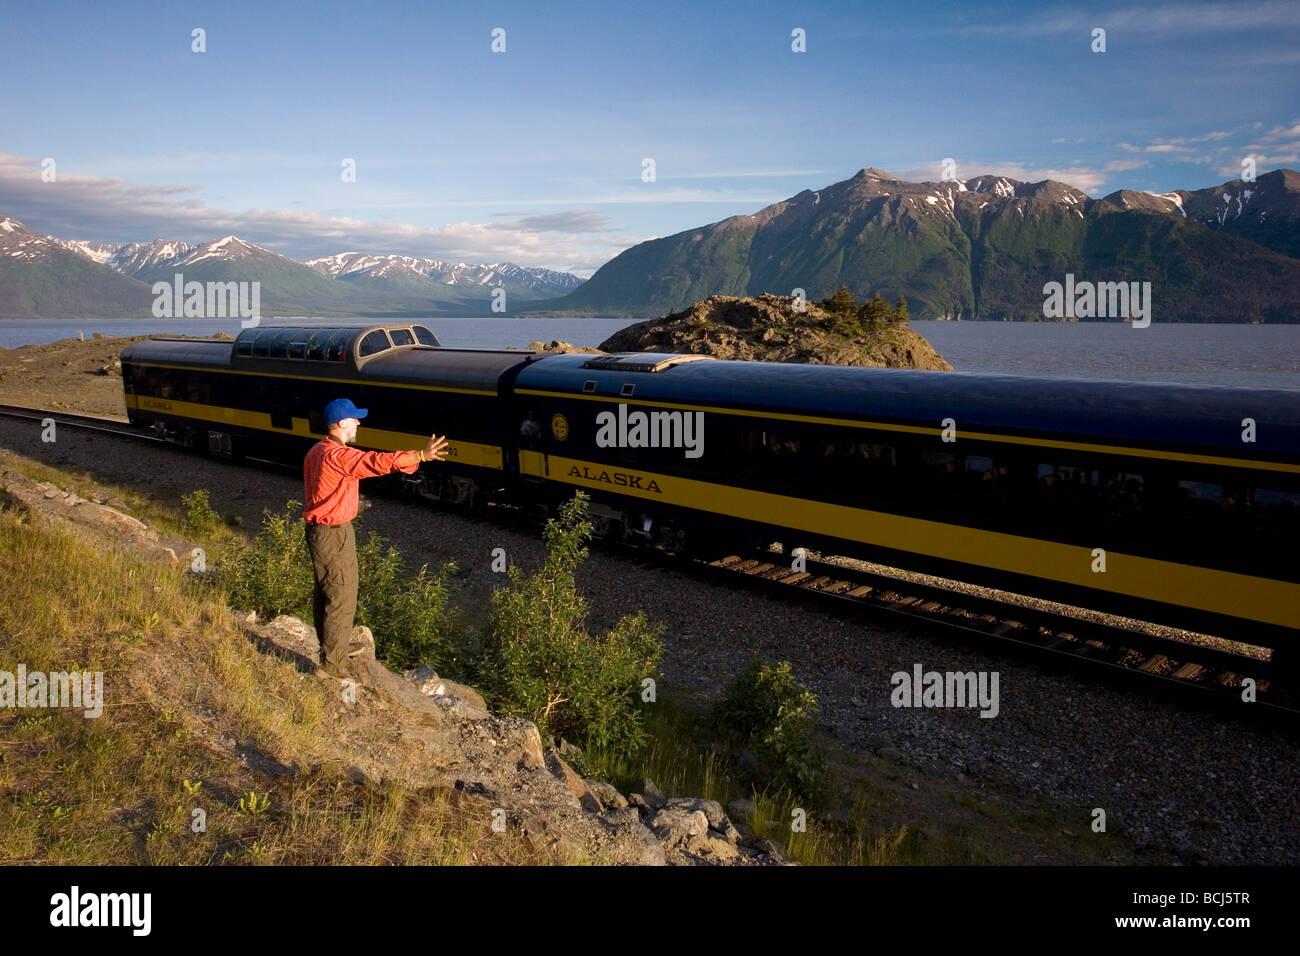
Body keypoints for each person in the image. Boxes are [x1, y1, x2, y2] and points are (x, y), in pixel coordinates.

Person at [302, 397, 448, 682]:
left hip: (321, 532)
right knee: (342, 595)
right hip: (334, 534)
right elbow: (377, 462)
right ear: (342, 423)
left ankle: (335, 648)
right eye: (355, 419)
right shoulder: (339, 456)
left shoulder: (317, 450)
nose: (358, 422)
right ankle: (332, 666)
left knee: (326, 591)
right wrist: (420, 455)